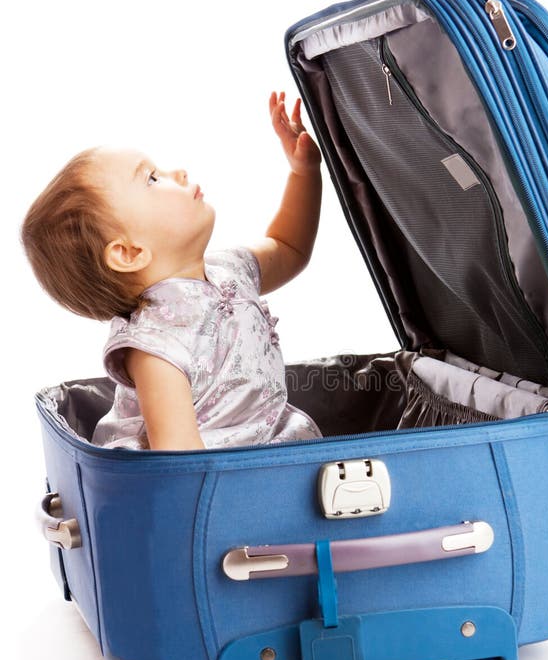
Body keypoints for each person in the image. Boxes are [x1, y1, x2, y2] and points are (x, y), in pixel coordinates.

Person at [21, 92, 324, 450]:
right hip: (209, 480)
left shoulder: (229, 269)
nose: (177, 172)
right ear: (129, 252)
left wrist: (303, 173)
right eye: (151, 178)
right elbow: (179, 461)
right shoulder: (155, 345)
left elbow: (290, 248)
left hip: (261, 449)